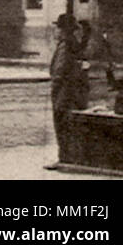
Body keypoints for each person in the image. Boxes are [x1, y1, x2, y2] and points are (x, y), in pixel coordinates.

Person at [50, 13, 86, 162]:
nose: (56, 31)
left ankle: (64, 157)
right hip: (72, 90)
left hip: (64, 91)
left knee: (61, 122)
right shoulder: (73, 43)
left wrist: (55, 85)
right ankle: (69, 156)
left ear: (63, 29)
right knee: (68, 123)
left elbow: (60, 69)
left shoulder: (65, 45)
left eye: (58, 28)